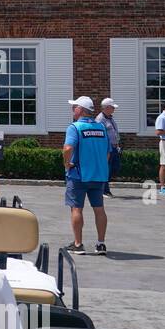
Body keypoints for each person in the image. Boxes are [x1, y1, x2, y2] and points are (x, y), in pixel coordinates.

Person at [62, 97, 110, 256]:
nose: (72, 109)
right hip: (99, 175)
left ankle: (78, 244)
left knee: (76, 208)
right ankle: (101, 243)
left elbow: (68, 148)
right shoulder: (101, 127)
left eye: (74, 106)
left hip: (79, 175)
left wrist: (67, 163)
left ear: (81, 110)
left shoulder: (75, 127)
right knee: (99, 209)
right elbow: (108, 152)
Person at [96, 98, 121, 197]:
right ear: (107, 108)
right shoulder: (100, 119)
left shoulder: (110, 118)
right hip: (106, 148)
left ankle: (104, 189)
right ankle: (103, 190)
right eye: (112, 107)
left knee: (114, 168)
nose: (114, 109)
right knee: (106, 169)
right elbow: (99, 135)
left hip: (114, 147)